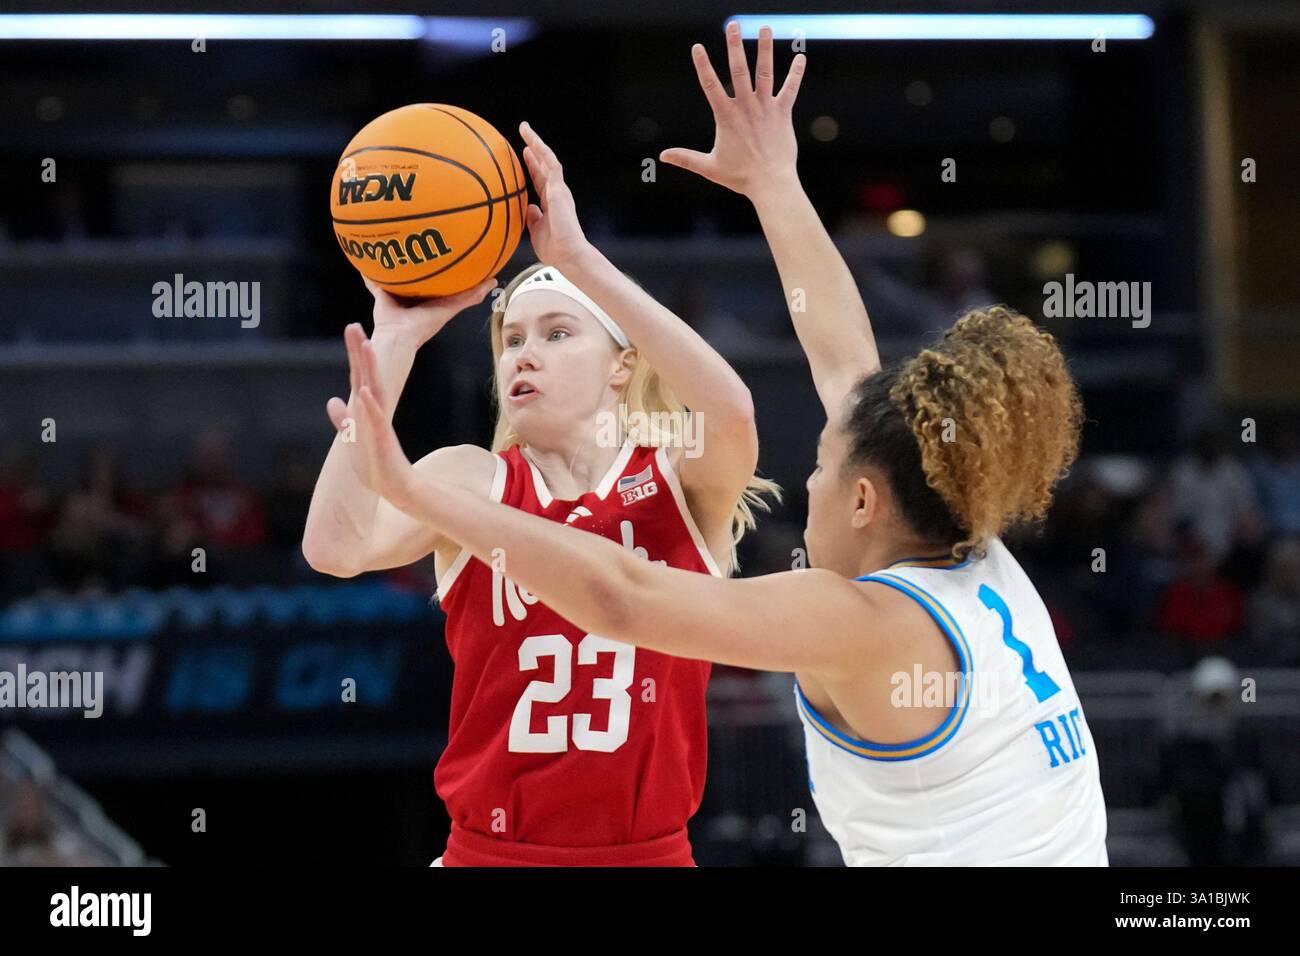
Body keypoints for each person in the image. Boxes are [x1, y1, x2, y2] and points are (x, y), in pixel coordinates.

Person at [334, 24, 1109, 866]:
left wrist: (414, 493)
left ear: (862, 499)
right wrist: (775, 183)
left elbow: (628, 599)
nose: (802, 484)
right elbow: (845, 357)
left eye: (819, 469)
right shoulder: (979, 554)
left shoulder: (868, 622)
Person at [304, 121, 778, 866]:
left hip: (648, 854)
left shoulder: (678, 480)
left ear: (623, 365)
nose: (524, 354)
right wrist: (392, 342)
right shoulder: (474, 478)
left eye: (557, 334)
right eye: (512, 340)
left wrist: (577, 260)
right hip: (487, 855)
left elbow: (734, 411)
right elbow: (331, 550)